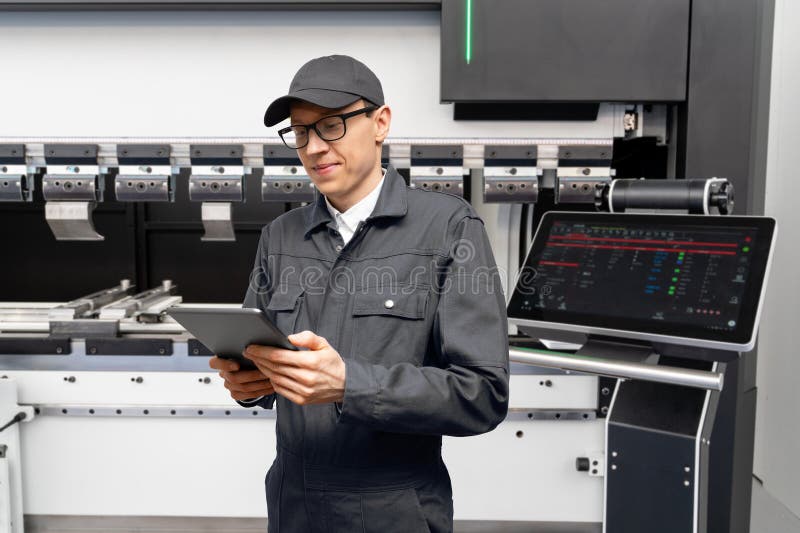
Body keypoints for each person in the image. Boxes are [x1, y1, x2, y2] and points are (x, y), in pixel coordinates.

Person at [209, 54, 509, 533]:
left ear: (380, 123)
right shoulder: (280, 237)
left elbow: (483, 395)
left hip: (396, 507)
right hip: (293, 503)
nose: (313, 147)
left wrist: (351, 384)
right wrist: (249, 385)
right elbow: (259, 355)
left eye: (330, 125)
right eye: (300, 132)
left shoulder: (449, 228)